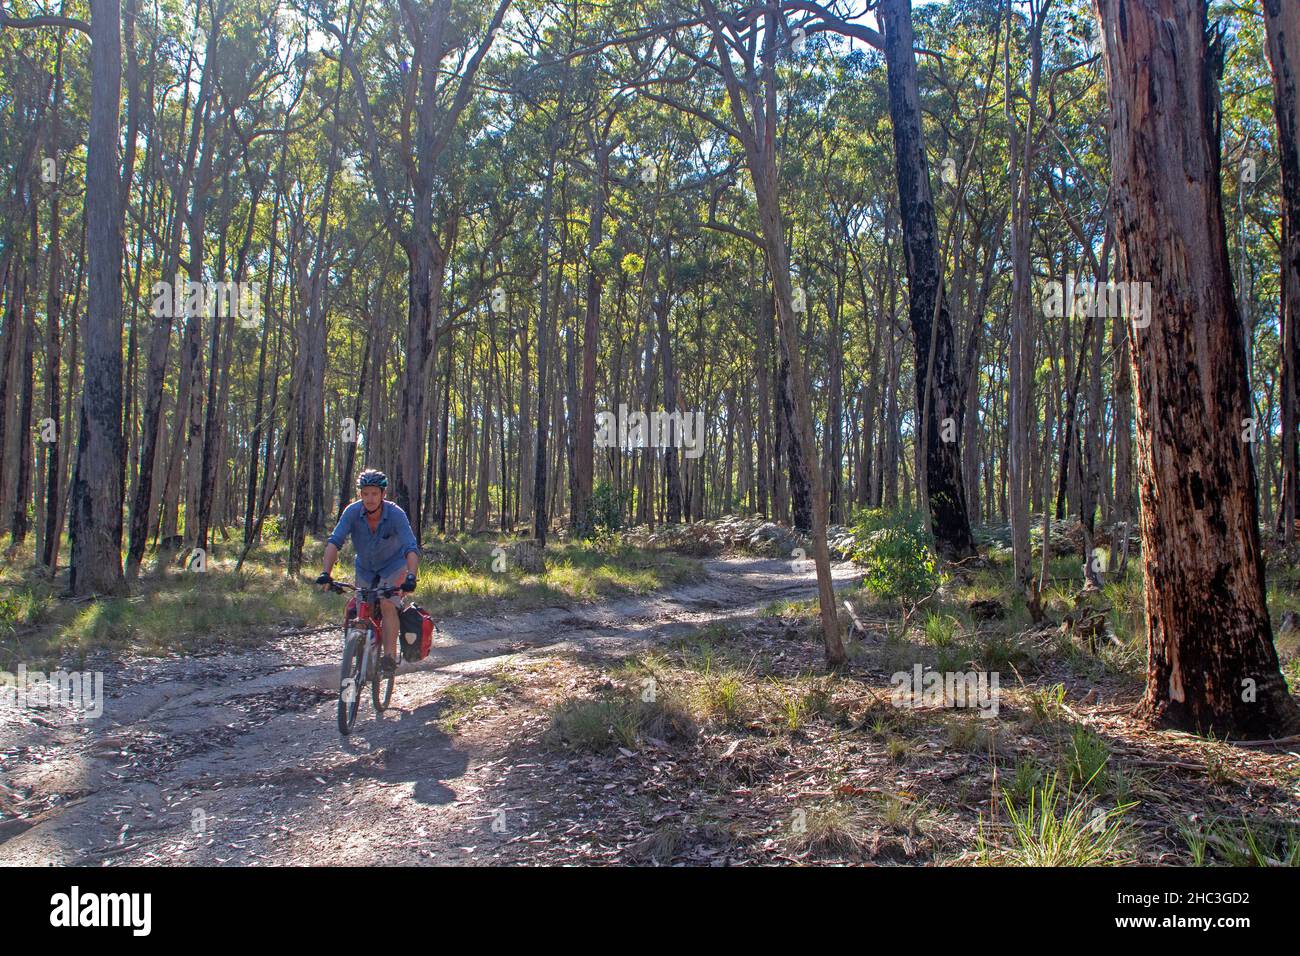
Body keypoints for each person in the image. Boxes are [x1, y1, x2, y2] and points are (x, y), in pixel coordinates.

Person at [317, 469, 420, 676]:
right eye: (365, 494)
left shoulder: (396, 514)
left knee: (386, 602)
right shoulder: (352, 512)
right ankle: (361, 651)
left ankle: (389, 658)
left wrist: (411, 576)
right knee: (363, 607)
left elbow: (411, 547)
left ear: (383, 495)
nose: (369, 499)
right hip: (365, 567)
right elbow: (334, 542)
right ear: (360, 494)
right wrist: (325, 573)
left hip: (394, 565)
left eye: (374, 493)